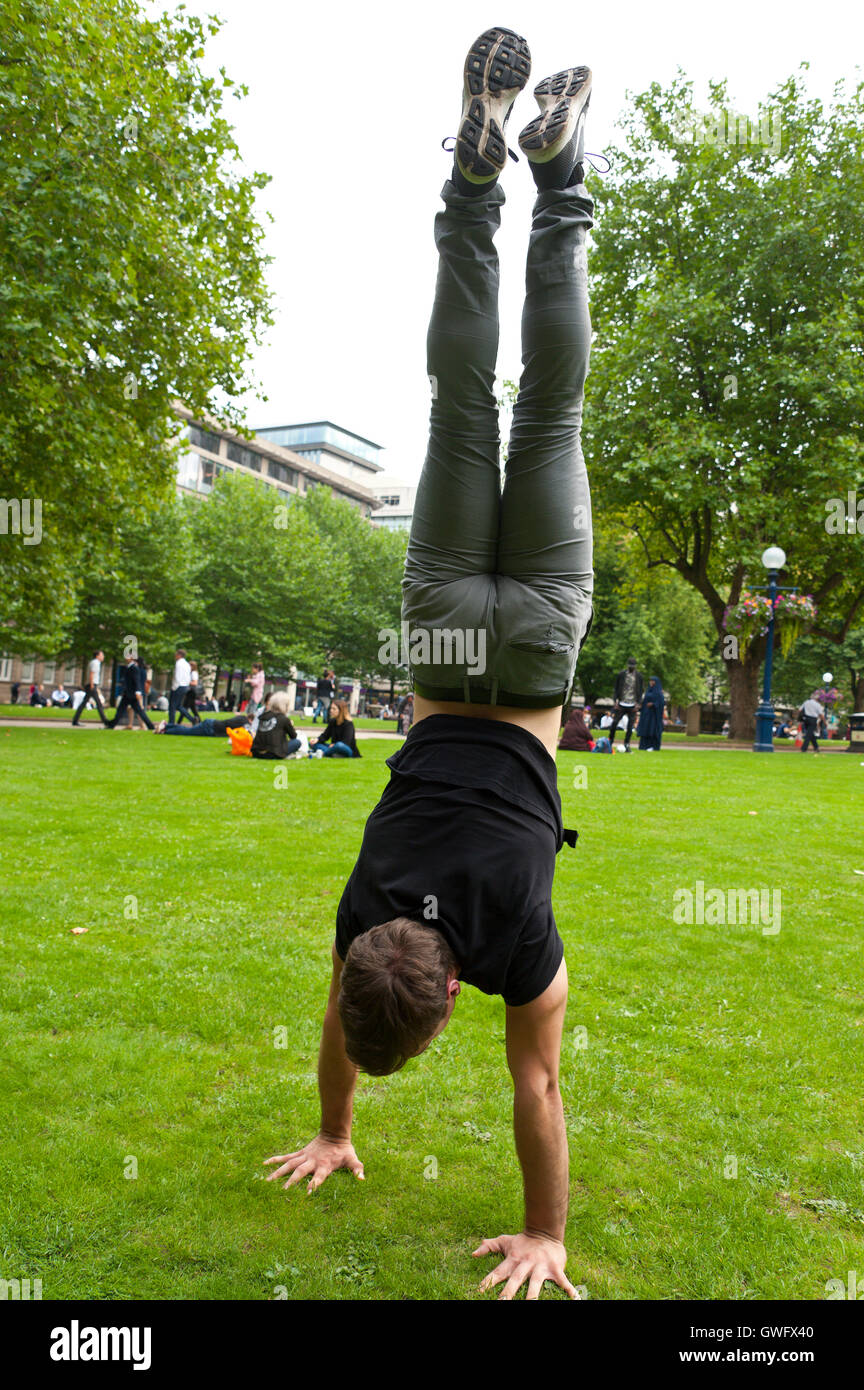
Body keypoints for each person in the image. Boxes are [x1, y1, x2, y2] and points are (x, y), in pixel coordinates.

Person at [265, 30, 593, 1302]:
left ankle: (559, 181)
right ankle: (475, 185)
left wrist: (545, 1234)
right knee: (464, 402)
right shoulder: (361, 907)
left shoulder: (510, 937)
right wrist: (335, 1120)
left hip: (540, 654)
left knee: (550, 410)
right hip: (451, 634)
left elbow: (540, 1083)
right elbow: (341, 1027)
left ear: (449, 993)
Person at [107, 656, 154, 730]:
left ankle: (150, 726)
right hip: (129, 693)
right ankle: (111, 724)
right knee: (123, 710)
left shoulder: (134, 668)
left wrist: (138, 691)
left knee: (137, 711)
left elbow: (136, 681)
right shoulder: (131, 667)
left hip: (131, 694)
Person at [251, 690, 302, 759]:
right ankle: (285, 755)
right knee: (296, 742)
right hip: (273, 753)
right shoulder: (283, 718)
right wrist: (290, 725)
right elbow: (293, 736)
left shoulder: (263, 716)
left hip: (256, 752)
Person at [608, 658, 643, 751]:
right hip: (621, 703)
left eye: (633, 666)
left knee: (630, 726)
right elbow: (616, 688)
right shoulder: (621, 674)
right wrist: (615, 701)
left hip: (632, 704)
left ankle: (627, 744)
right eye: (630, 666)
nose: (631, 668)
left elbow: (640, 691)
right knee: (614, 723)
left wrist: (638, 704)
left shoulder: (639, 676)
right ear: (627, 665)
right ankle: (610, 741)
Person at [72, 650, 109, 726]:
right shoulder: (95, 663)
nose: (103, 657)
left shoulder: (95, 662)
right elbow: (92, 674)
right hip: (92, 685)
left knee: (84, 703)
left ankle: (75, 720)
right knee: (98, 703)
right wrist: (92, 685)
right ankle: (105, 721)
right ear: (97, 656)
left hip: (91, 685)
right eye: (102, 655)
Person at [638, 677, 666, 750]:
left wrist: (653, 704)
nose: (651, 682)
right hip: (646, 714)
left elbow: (661, 703)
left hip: (654, 715)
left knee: (652, 729)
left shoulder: (659, 693)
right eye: (650, 681)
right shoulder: (648, 691)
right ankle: (644, 746)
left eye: (653, 681)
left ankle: (653, 746)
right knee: (646, 728)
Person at [168, 648, 192, 726]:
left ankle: (171, 723)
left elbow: (177, 676)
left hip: (178, 686)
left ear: (179, 655)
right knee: (178, 706)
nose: (175, 656)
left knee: (172, 706)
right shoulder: (187, 664)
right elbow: (188, 677)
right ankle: (192, 719)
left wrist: (174, 687)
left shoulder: (178, 663)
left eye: (176, 654)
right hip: (185, 686)